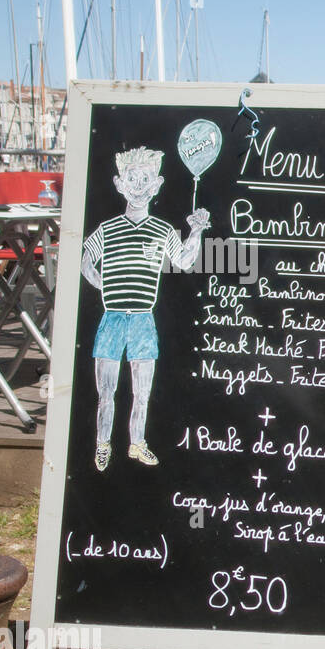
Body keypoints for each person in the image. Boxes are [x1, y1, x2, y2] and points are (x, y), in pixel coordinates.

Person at [81, 146, 210, 470]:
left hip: (142, 320)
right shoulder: (108, 229)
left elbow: (183, 260)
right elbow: (85, 262)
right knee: (106, 391)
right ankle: (103, 444)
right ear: (120, 183)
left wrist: (195, 232)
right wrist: (104, 286)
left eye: (145, 179)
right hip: (112, 319)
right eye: (132, 178)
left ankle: (137, 443)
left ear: (156, 185)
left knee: (142, 391)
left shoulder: (162, 230)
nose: (138, 185)